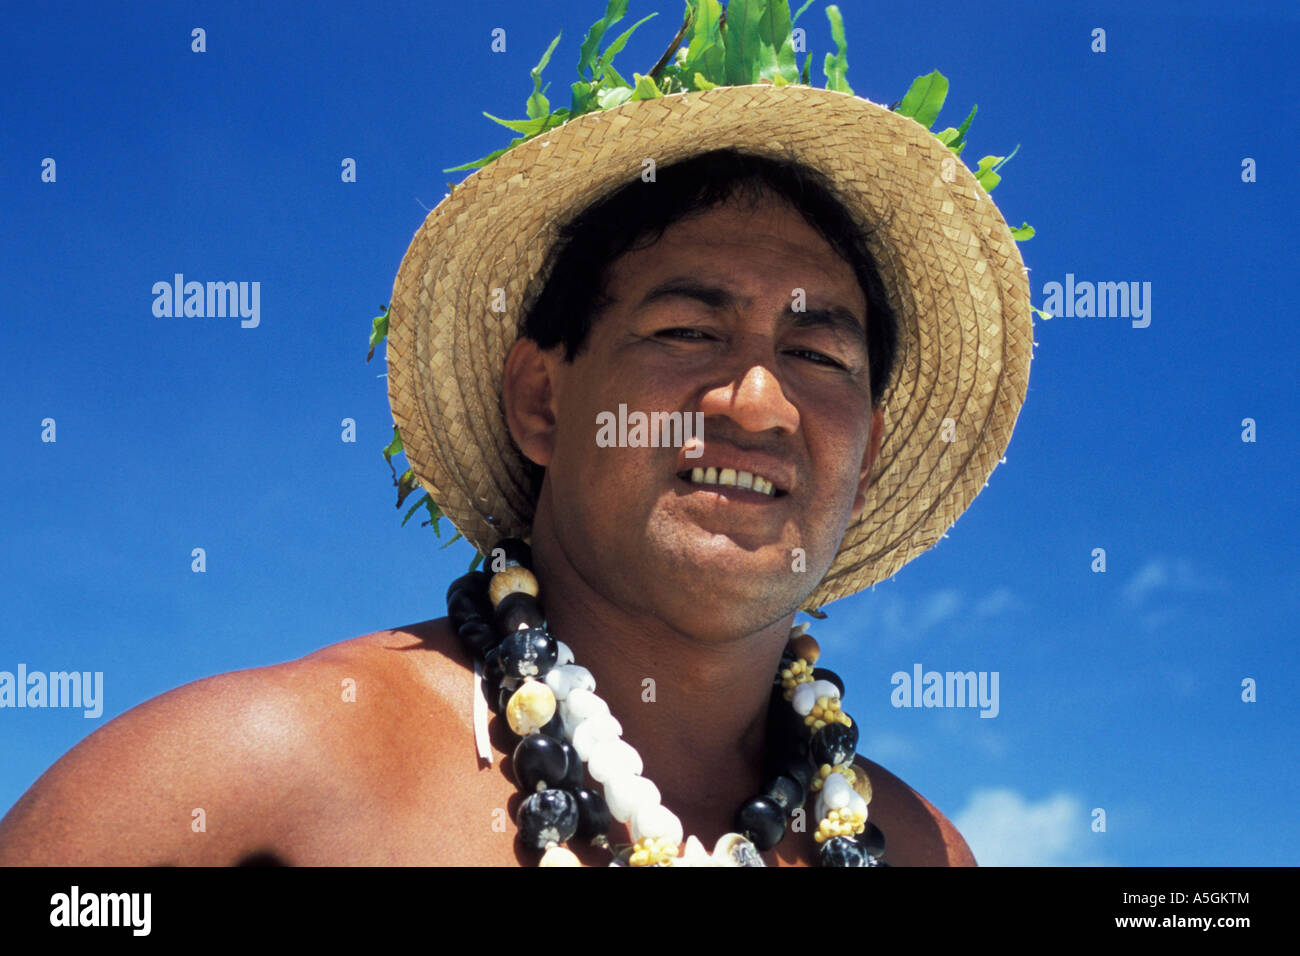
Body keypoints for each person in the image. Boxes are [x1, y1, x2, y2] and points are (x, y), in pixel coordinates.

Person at [0, 48, 1033, 870]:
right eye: (687, 333)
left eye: (815, 355)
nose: (760, 403)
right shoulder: (239, 784)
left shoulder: (918, 845)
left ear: (866, 455)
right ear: (542, 399)